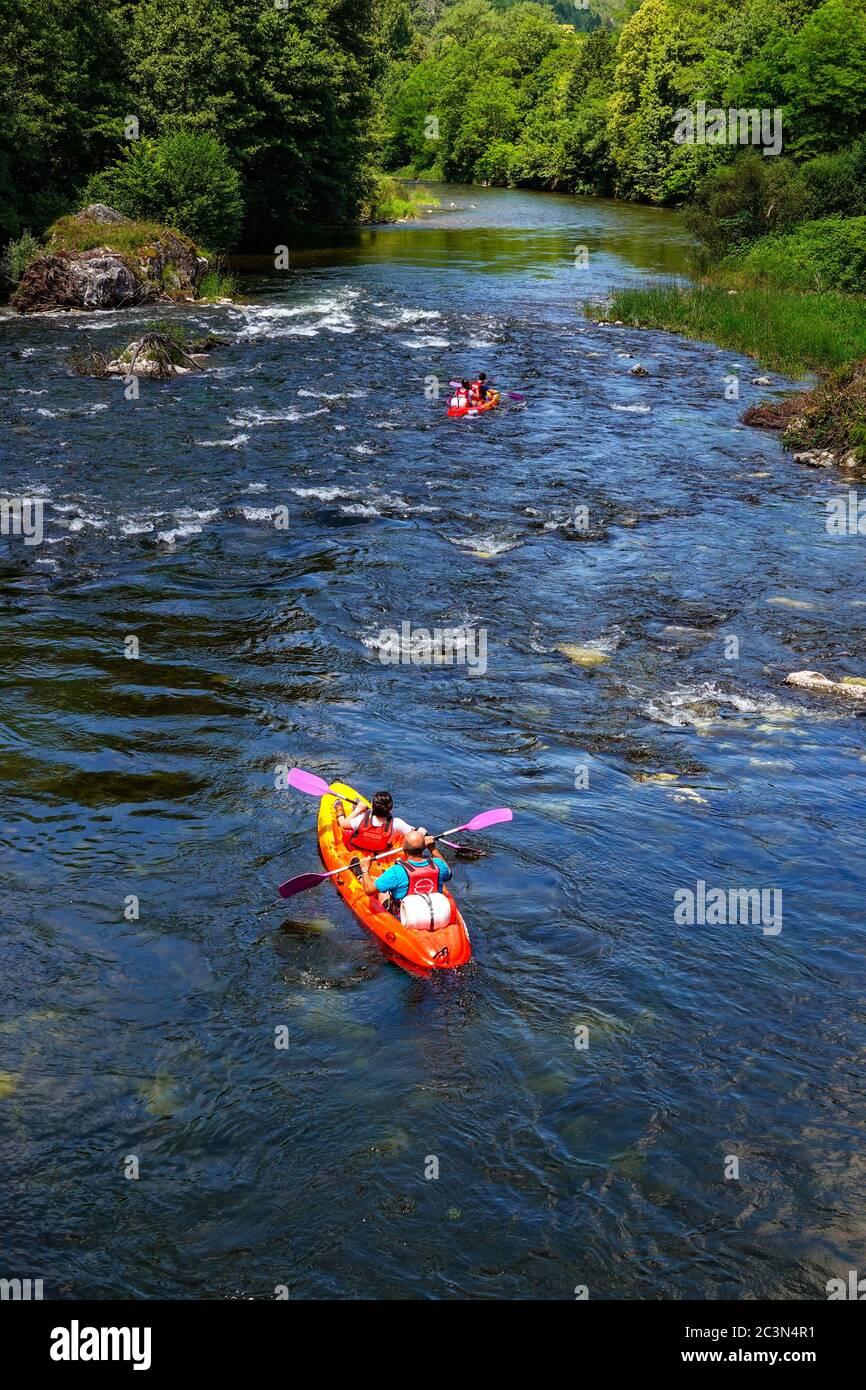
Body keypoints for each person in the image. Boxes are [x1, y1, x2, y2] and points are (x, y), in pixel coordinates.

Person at [358, 827, 451, 912]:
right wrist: (433, 849)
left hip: (406, 916)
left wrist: (365, 868)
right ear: (424, 847)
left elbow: (369, 891)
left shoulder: (396, 871)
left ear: (404, 848)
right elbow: (449, 873)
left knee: (381, 887)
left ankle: (360, 877)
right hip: (433, 910)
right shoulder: (438, 864)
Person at [335, 789, 413, 854]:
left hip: (356, 848)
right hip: (379, 851)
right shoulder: (397, 823)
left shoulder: (361, 819)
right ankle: (357, 808)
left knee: (352, 826)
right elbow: (415, 836)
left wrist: (358, 810)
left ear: (372, 805)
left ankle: (339, 808)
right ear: (390, 808)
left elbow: (344, 825)